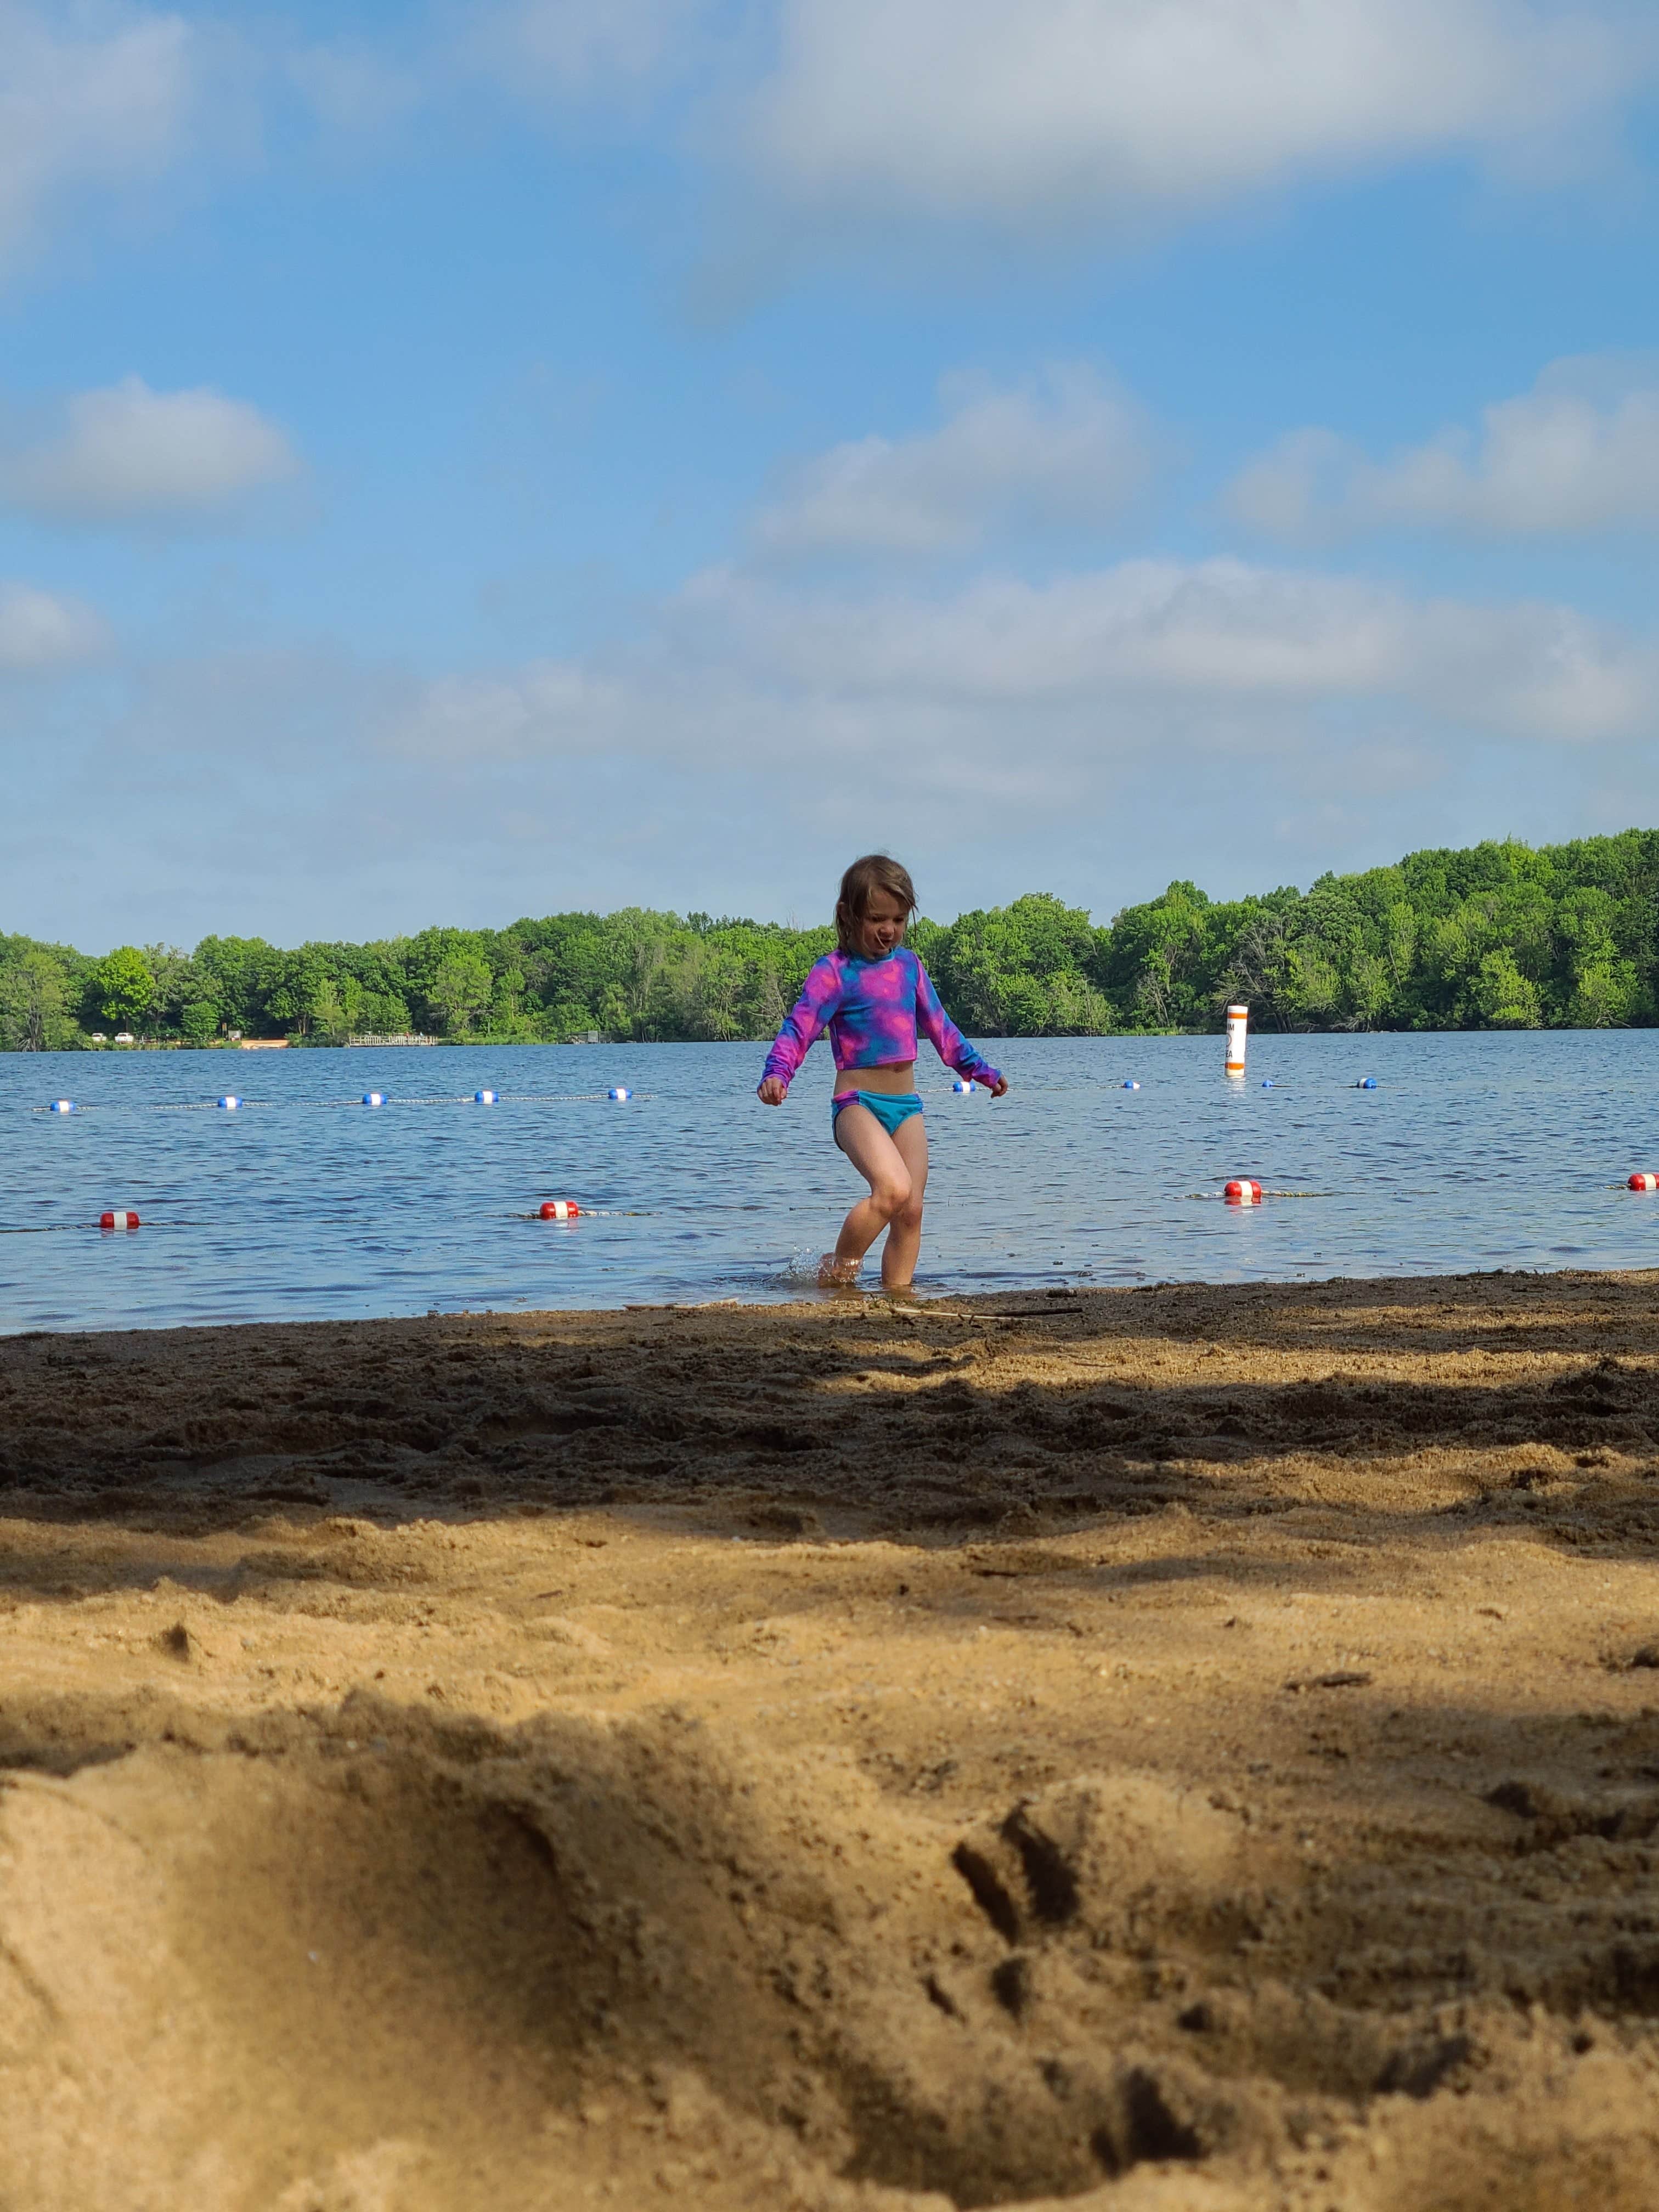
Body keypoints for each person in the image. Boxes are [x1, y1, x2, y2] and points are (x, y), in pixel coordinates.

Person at [757, 854, 1008, 1291]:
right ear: (848, 916)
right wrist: (779, 1072)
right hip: (857, 1105)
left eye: (898, 918)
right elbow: (799, 1028)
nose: (888, 929)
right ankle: (839, 1274)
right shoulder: (834, 973)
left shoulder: (909, 968)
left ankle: (897, 1296)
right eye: (876, 918)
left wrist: (978, 1070)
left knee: (911, 1208)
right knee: (892, 1189)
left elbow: (941, 1027)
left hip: (906, 1106)